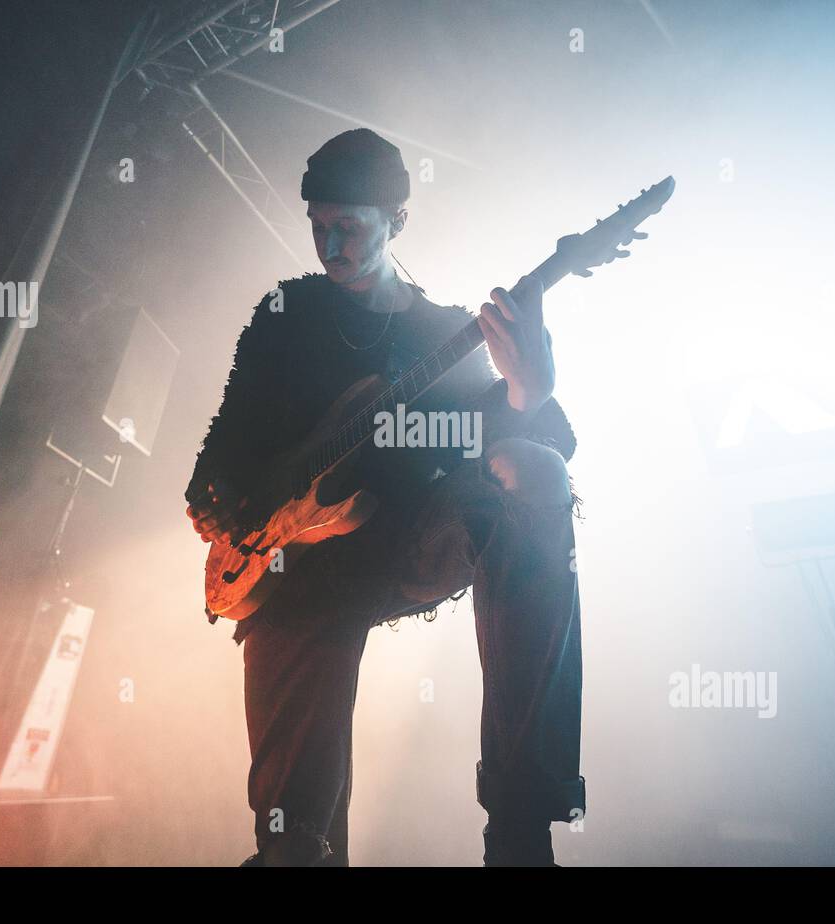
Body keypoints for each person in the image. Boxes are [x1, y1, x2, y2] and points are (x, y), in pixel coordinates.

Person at [185, 128, 584, 866]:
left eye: (349, 228)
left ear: (396, 222)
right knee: (291, 845)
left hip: (403, 544)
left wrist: (530, 386)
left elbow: (536, 443)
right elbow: (226, 437)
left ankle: (523, 821)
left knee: (533, 471)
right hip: (290, 572)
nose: (329, 245)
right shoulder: (288, 313)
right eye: (318, 226)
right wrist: (213, 495)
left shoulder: (438, 334)